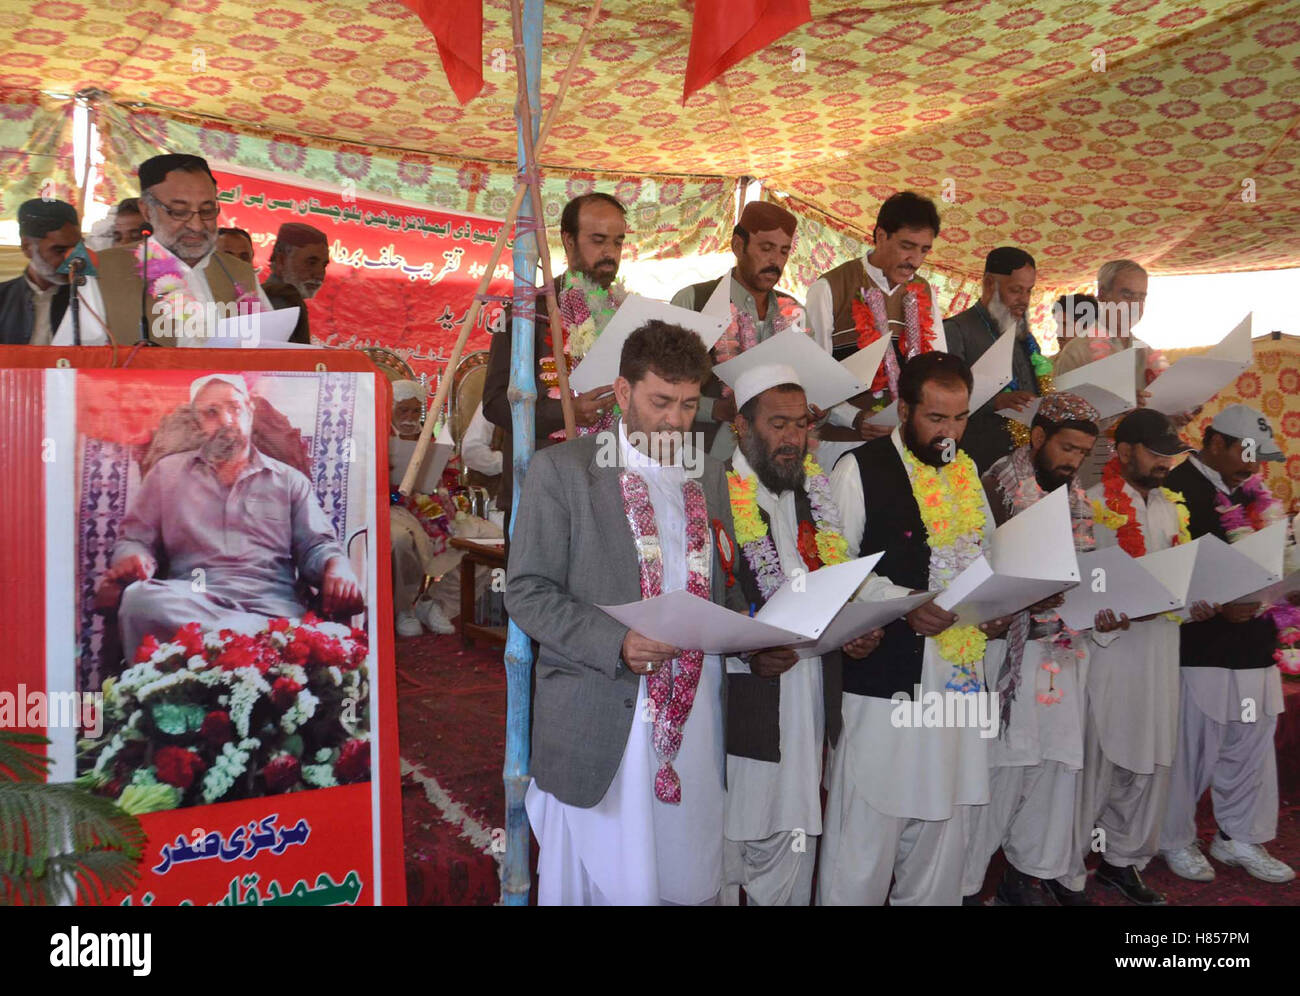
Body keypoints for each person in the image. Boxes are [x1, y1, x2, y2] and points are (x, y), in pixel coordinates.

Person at [506, 319, 748, 905]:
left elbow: (726, 580)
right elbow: (528, 591)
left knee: (683, 871)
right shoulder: (564, 471)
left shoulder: (710, 474)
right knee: (598, 882)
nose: (676, 421)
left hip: (694, 714)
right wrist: (616, 641)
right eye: (660, 402)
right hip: (601, 707)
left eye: (689, 405)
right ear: (622, 392)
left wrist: (756, 630)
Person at [821, 352, 1010, 905]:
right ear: (903, 409)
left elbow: (990, 557)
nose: (949, 432)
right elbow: (835, 570)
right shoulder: (859, 468)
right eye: (936, 418)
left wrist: (997, 606)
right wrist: (903, 603)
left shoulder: (968, 470)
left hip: (958, 676)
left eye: (960, 418)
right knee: (866, 837)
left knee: (942, 829)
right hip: (888, 680)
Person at [721, 362, 883, 906]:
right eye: (778, 425)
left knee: (794, 832)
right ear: (741, 427)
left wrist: (853, 631)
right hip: (739, 703)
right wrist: (745, 654)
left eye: (801, 424)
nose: (794, 438)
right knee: (733, 836)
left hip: (810, 692)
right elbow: (699, 602)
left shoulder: (814, 492)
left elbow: (831, 584)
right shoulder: (713, 495)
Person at [963, 392, 1131, 905]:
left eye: (1083, 452)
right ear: (1037, 438)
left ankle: (1025, 875)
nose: (1074, 461)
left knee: (1052, 771)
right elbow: (968, 574)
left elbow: (1091, 576)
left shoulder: (1078, 499)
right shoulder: (992, 489)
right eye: (1067, 448)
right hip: (1006, 656)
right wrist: (1024, 592)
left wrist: (1107, 610)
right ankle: (966, 888)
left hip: (1063, 654)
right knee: (998, 775)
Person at [1059, 408, 1215, 905]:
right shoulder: (1092, 505)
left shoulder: (1172, 507)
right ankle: (1066, 871)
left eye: (1172, 454)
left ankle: (1120, 862)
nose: (1166, 462)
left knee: (1148, 766)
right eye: (1155, 452)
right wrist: (1107, 615)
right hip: (1109, 657)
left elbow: (1178, 585)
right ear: (1122, 452)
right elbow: (1079, 589)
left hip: (1160, 654)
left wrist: (1198, 606)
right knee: (1098, 766)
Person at [95, 374, 363, 660]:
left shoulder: (288, 481)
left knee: (292, 628)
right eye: (211, 412)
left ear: (249, 410)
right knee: (139, 600)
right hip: (193, 602)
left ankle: (233, 643)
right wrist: (133, 557)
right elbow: (135, 539)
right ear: (196, 422)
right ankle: (246, 643)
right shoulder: (167, 474)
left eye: (234, 408)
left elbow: (317, 546)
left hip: (271, 606)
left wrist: (337, 566)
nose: (225, 420)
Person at [1158, 404, 1295, 884]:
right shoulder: (1173, 490)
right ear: (1214, 443)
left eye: (1261, 457)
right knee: (1191, 751)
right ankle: (1175, 837)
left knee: (1249, 748)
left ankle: (1239, 837)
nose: (1255, 467)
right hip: (1202, 649)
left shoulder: (1258, 497)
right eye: (1246, 453)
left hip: (1255, 647)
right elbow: (1162, 574)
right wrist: (1214, 603)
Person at [483, 191, 628, 524]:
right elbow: (494, 402)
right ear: (569, 240)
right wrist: (567, 413)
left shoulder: (628, 315)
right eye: (598, 240)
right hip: (541, 488)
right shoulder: (529, 313)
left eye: (617, 243)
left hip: (613, 486)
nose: (610, 254)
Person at [52, 153, 271, 346]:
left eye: (207, 210)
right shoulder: (102, 271)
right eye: (178, 211)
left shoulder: (240, 274)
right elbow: (73, 367)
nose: (196, 225)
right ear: (147, 211)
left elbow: (270, 351)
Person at [804, 191, 949, 459]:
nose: (915, 260)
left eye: (924, 250)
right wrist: (856, 418)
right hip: (842, 445)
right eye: (907, 246)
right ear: (881, 235)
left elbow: (938, 370)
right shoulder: (830, 288)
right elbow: (814, 381)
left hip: (905, 444)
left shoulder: (923, 291)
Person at [670, 201, 804, 459]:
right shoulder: (694, 302)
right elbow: (661, 387)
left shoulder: (795, 313)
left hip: (775, 461)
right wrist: (716, 408)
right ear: (738, 246)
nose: (775, 261)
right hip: (703, 459)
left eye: (784, 252)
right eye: (766, 248)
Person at [943, 247, 1046, 472]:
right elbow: (943, 398)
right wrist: (996, 402)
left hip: (1024, 463)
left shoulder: (1024, 335)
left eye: (1029, 291)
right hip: (974, 462)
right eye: (1016, 290)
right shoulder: (956, 330)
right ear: (989, 283)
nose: (1024, 300)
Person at [389, 380, 458, 638]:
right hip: (390, 507)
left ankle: (435, 603)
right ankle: (403, 608)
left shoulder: (428, 436)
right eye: (402, 411)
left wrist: (441, 486)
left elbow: (450, 476)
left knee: (484, 538)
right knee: (398, 539)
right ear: (389, 409)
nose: (409, 418)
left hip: (433, 507)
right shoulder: (376, 434)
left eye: (414, 412)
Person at [0, 198, 79, 345]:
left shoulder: (87, 299)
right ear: (27, 247)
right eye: (60, 250)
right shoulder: (3, 300)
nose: (71, 259)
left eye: (76, 249)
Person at [263, 222, 327, 344]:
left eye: (324, 265)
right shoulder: (278, 302)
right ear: (282, 260)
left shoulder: (288, 299)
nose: (320, 275)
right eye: (311, 262)